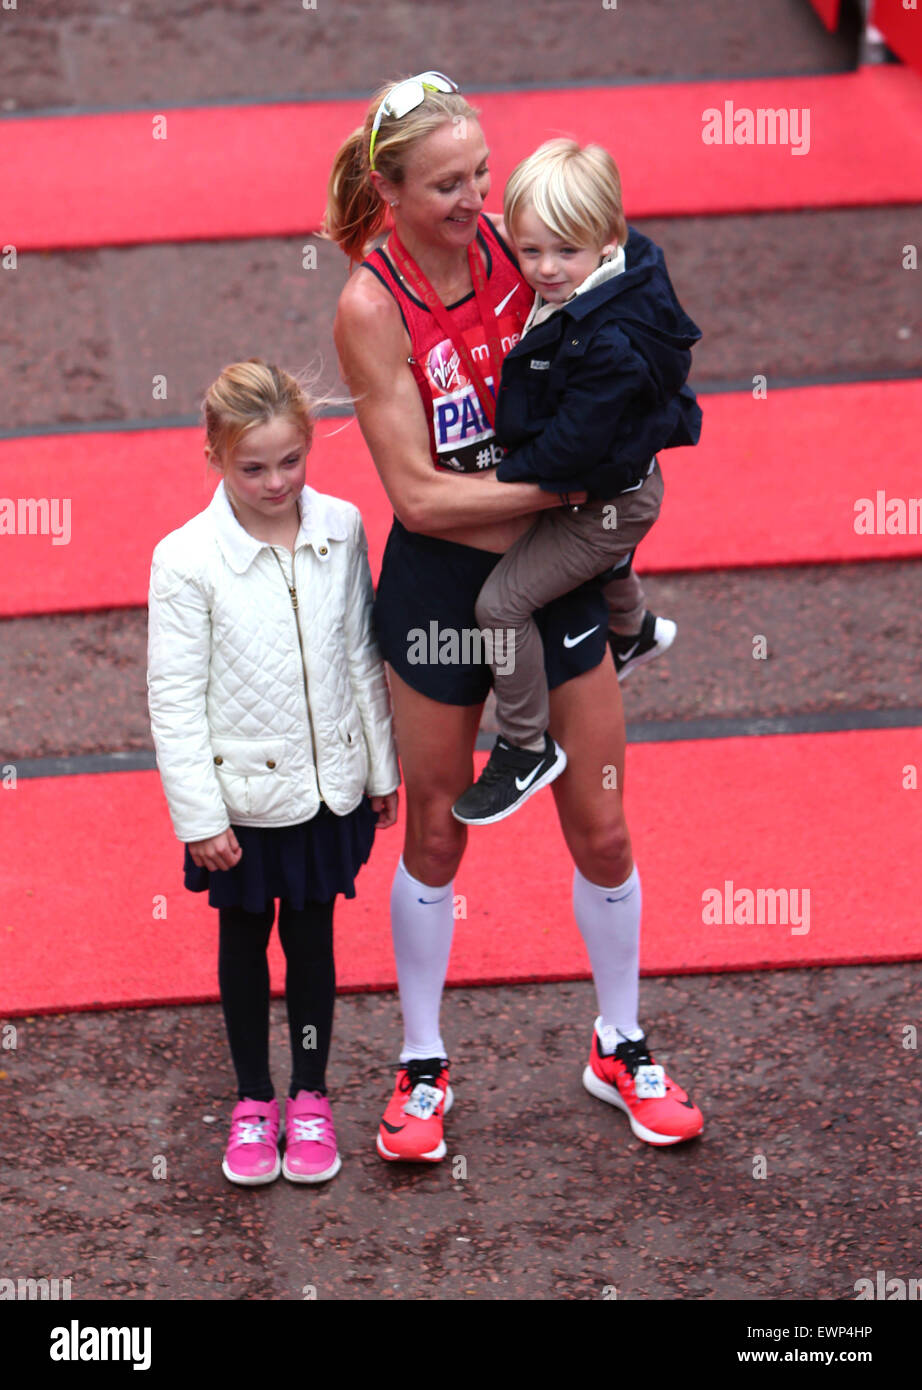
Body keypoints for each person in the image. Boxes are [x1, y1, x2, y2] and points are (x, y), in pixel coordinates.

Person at [324, 71, 703, 1160]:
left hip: (554, 576)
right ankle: (423, 1060)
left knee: (605, 824)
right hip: (445, 585)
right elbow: (422, 498)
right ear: (387, 189)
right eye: (447, 184)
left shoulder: (524, 245)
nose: (477, 199)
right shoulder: (368, 305)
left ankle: (619, 1043)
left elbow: (634, 294)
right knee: (438, 830)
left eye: (481, 174)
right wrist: (579, 487)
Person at [146, 358, 400, 1186]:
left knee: (315, 940)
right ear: (214, 456)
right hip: (243, 806)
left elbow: (362, 657)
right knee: (245, 941)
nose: (276, 481)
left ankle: (313, 1098)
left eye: (291, 460)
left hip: (330, 789)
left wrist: (380, 767)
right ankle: (255, 1102)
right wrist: (200, 817)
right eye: (252, 466)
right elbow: (174, 700)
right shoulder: (185, 560)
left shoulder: (343, 526)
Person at [452, 138, 702, 826]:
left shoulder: (607, 345)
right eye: (529, 251)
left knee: (501, 606)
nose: (544, 269)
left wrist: (499, 466)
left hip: (604, 502)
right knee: (602, 553)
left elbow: (570, 452)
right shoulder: (627, 259)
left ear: (605, 238)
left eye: (564, 252)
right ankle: (635, 627)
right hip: (629, 482)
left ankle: (526, 744)